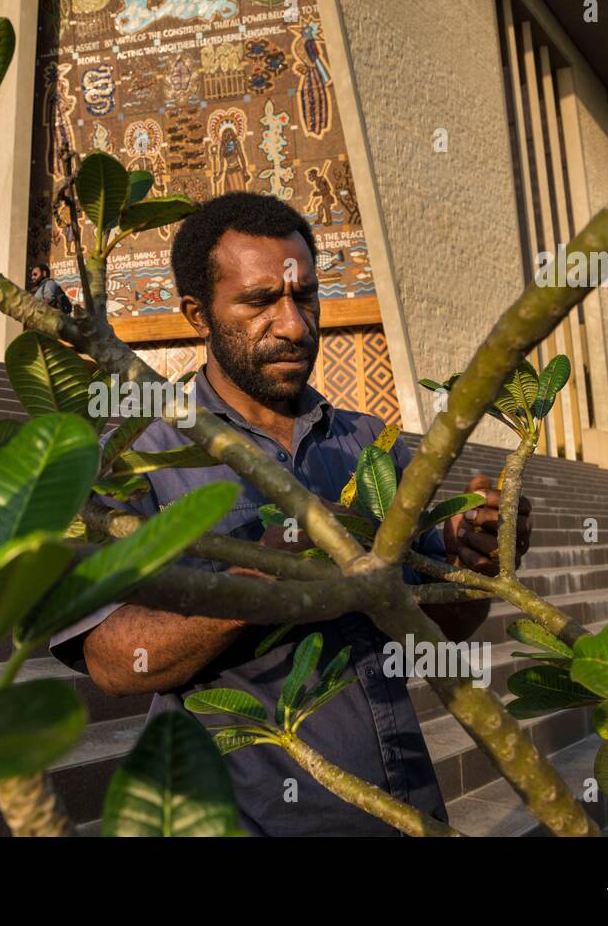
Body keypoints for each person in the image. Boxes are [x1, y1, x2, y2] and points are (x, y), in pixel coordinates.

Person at [49, 192, 533, 836]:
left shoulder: (370, 444)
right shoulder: (140, 455)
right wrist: (258, 585)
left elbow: (445, 627)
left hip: (401, 808)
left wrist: (475, 553)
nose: (294, 325)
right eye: (259, 302)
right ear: (198, 313)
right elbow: (113, 660)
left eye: (303, 296)